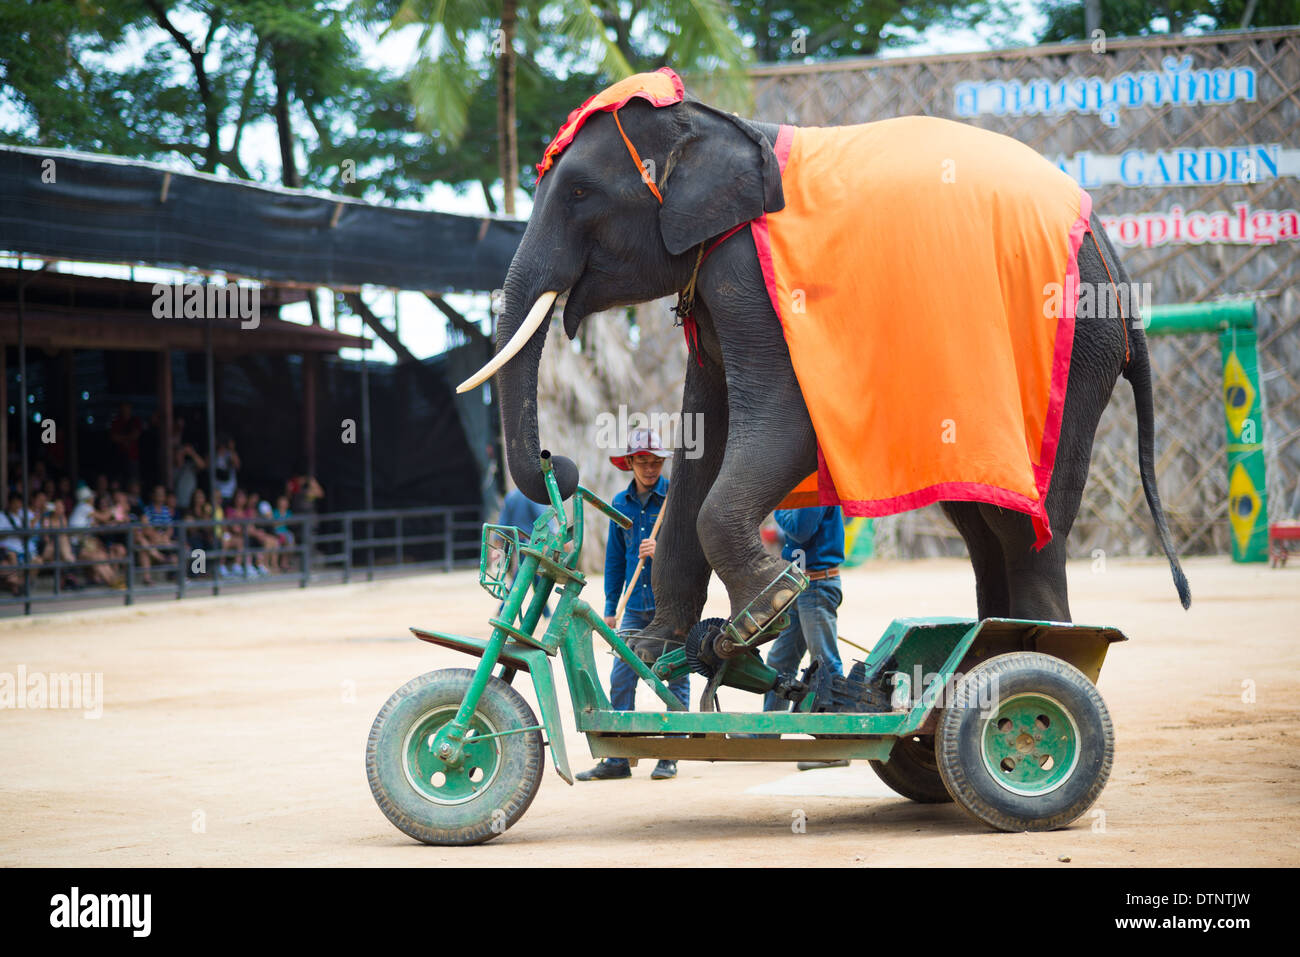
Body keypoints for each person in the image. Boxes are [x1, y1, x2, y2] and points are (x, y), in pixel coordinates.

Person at [575, 428, 687, 782]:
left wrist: (664, 551)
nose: (650, 468)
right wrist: (611, 608)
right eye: (643, 461)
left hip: (671, 605)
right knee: (622, 677)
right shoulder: (620, 505)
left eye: (656, 462)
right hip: (634, 606)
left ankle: (671, 752)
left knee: (674, 677)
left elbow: (694, 555)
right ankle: (619, 758)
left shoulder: (676, 499)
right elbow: (614, 562)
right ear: (630, 463)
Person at [762, 505, 847, 770]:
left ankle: (834, 746)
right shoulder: (802, 490)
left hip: (816, 586)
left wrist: (777, 507)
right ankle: (766, 734)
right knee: (780, 659)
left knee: (824, 662)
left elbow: (800, 530)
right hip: (800, 585)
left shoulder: (812, 491)